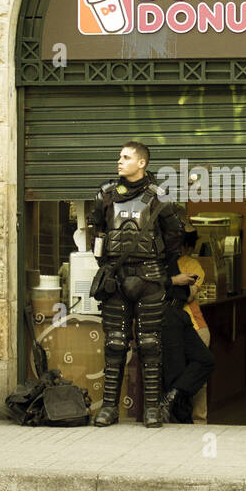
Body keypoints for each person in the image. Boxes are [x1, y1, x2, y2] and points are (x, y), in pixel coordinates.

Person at [87, 141, 184, 428]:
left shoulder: (160, 197)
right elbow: (97, 233)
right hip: (115, 279)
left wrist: (162, 271)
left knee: (150, 344)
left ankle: (152, 409)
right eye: (119, 156)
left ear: (141, 163)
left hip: (149, 278)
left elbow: (174, 238)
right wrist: (104, 267)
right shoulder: (105, 194)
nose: (120, 161)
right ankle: (108, 408)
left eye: (126, 157)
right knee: (115, 344)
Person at [158, 211, 215, 424]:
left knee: (198, 378)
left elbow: (189, 294)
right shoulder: (159, 259)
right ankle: (175, 413)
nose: (178, 243)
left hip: (194, 324)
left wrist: (179, 282)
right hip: (169, 321)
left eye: (182, 239)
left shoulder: (192, 264)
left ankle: (198, 422)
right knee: (175, 372)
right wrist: (174, 280)